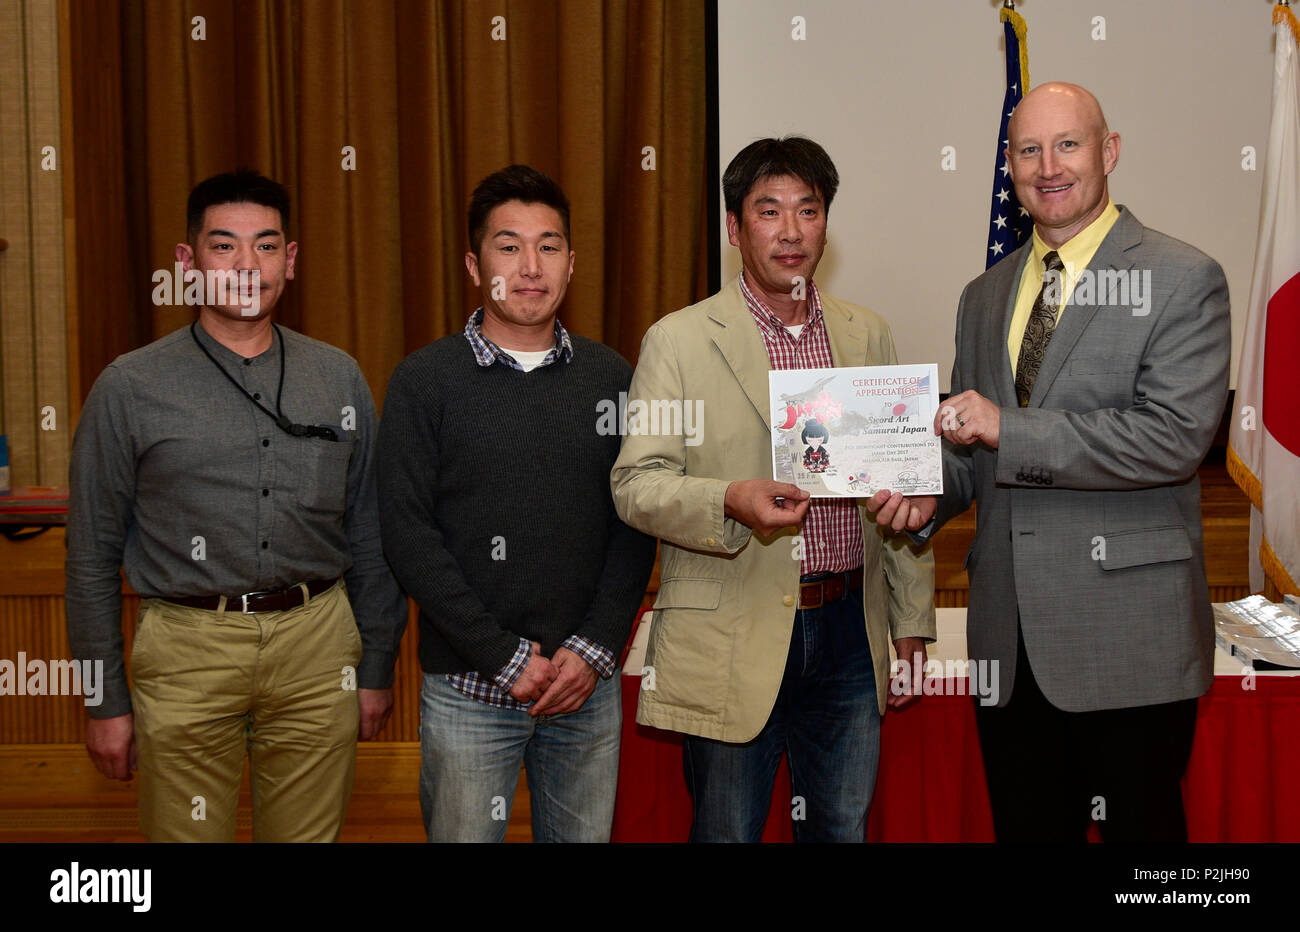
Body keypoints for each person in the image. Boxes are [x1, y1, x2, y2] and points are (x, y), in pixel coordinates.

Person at [871, 83, 1230, 842]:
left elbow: (1171, 438)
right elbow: (973, 454)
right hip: (1009, 642)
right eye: (1028, 150)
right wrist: (924, 495)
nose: (1048, 166)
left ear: (1110, 151)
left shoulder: (1181, 277)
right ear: (1010, 166)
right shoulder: (984, 295)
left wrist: (1009, 428)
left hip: (1128, 638)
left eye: (1067, 144)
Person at [65, 169, 408, 842]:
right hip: (187, 646)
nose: (247, 265)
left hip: (318, 646)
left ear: (292, 259)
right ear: (188, 262)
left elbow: (371, 531)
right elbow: (90, 557)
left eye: (267, 245)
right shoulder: (130, 386)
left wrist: (374, 666)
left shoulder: (337, 375)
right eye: (225, 246)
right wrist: (103, 699)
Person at [611, 137, 936, 843]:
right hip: (733, 626)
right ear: (736, 228)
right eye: (769, 212)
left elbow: (901, 481)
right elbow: (636, 485)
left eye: (808, 211)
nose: (791, 232)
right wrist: (728, 499)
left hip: (851, 628)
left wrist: (911, 620)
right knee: (727, 831)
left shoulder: (867, 334)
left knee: (842, 829)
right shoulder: (679, 341)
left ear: (826, 223)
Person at [378, 164, 655, 843]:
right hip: (469, 692)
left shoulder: (612, 375)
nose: (531, 266)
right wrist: (503, 657)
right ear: (475, 265)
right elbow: (407, 535)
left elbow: (635, 521)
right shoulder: (424, 381)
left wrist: (592, 650)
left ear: (571, 263)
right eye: (509, 246)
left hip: (583, 690)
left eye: (549, 246)